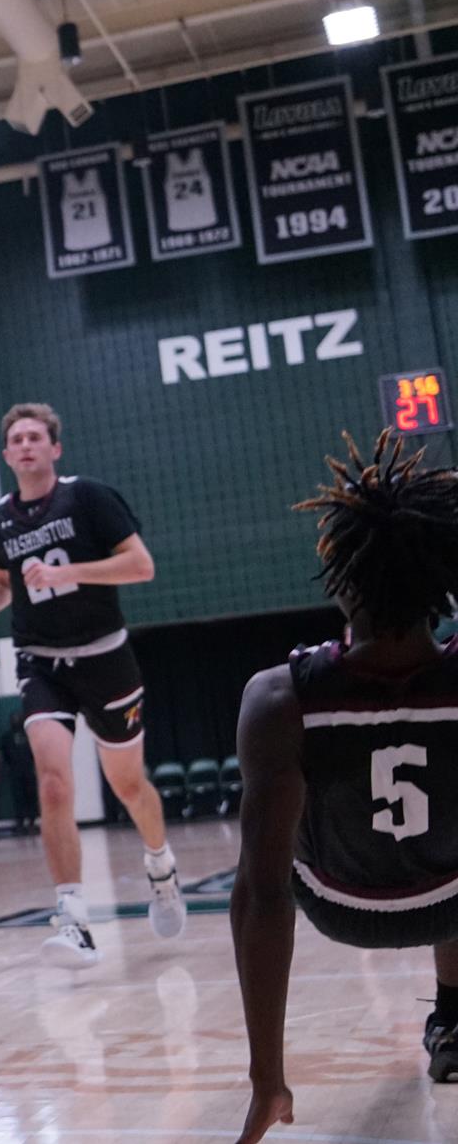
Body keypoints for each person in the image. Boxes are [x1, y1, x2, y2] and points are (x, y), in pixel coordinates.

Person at [231, 434, 458, 1141]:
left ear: (340, 582)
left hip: (339, 903)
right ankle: (453, 1018)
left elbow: (262, 895)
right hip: (450, 899)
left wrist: (268, 1077)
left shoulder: (278, 697)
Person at [0, 402, 183, 967]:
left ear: (54, 449)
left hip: (105, 657)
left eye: (36, 437)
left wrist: (69, 573)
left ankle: (160, 864)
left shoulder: (89, 498)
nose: (27, 445)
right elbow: (4, 583)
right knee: (54, 784)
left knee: (129, 785)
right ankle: (74, 920)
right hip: (40, 660)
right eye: (17, 439)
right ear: (7, 454)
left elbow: (141, 565)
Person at [0, 712, 39, 834]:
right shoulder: (6, 737)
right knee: (18, 798)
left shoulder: (29, 734)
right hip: (15, 771)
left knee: (31, 796)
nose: (15, 721)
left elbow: (35, 752)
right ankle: (20, 823)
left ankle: (32, 822)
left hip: (29, 770)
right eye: (13, 719)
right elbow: (4, 755)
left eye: (18, 719)